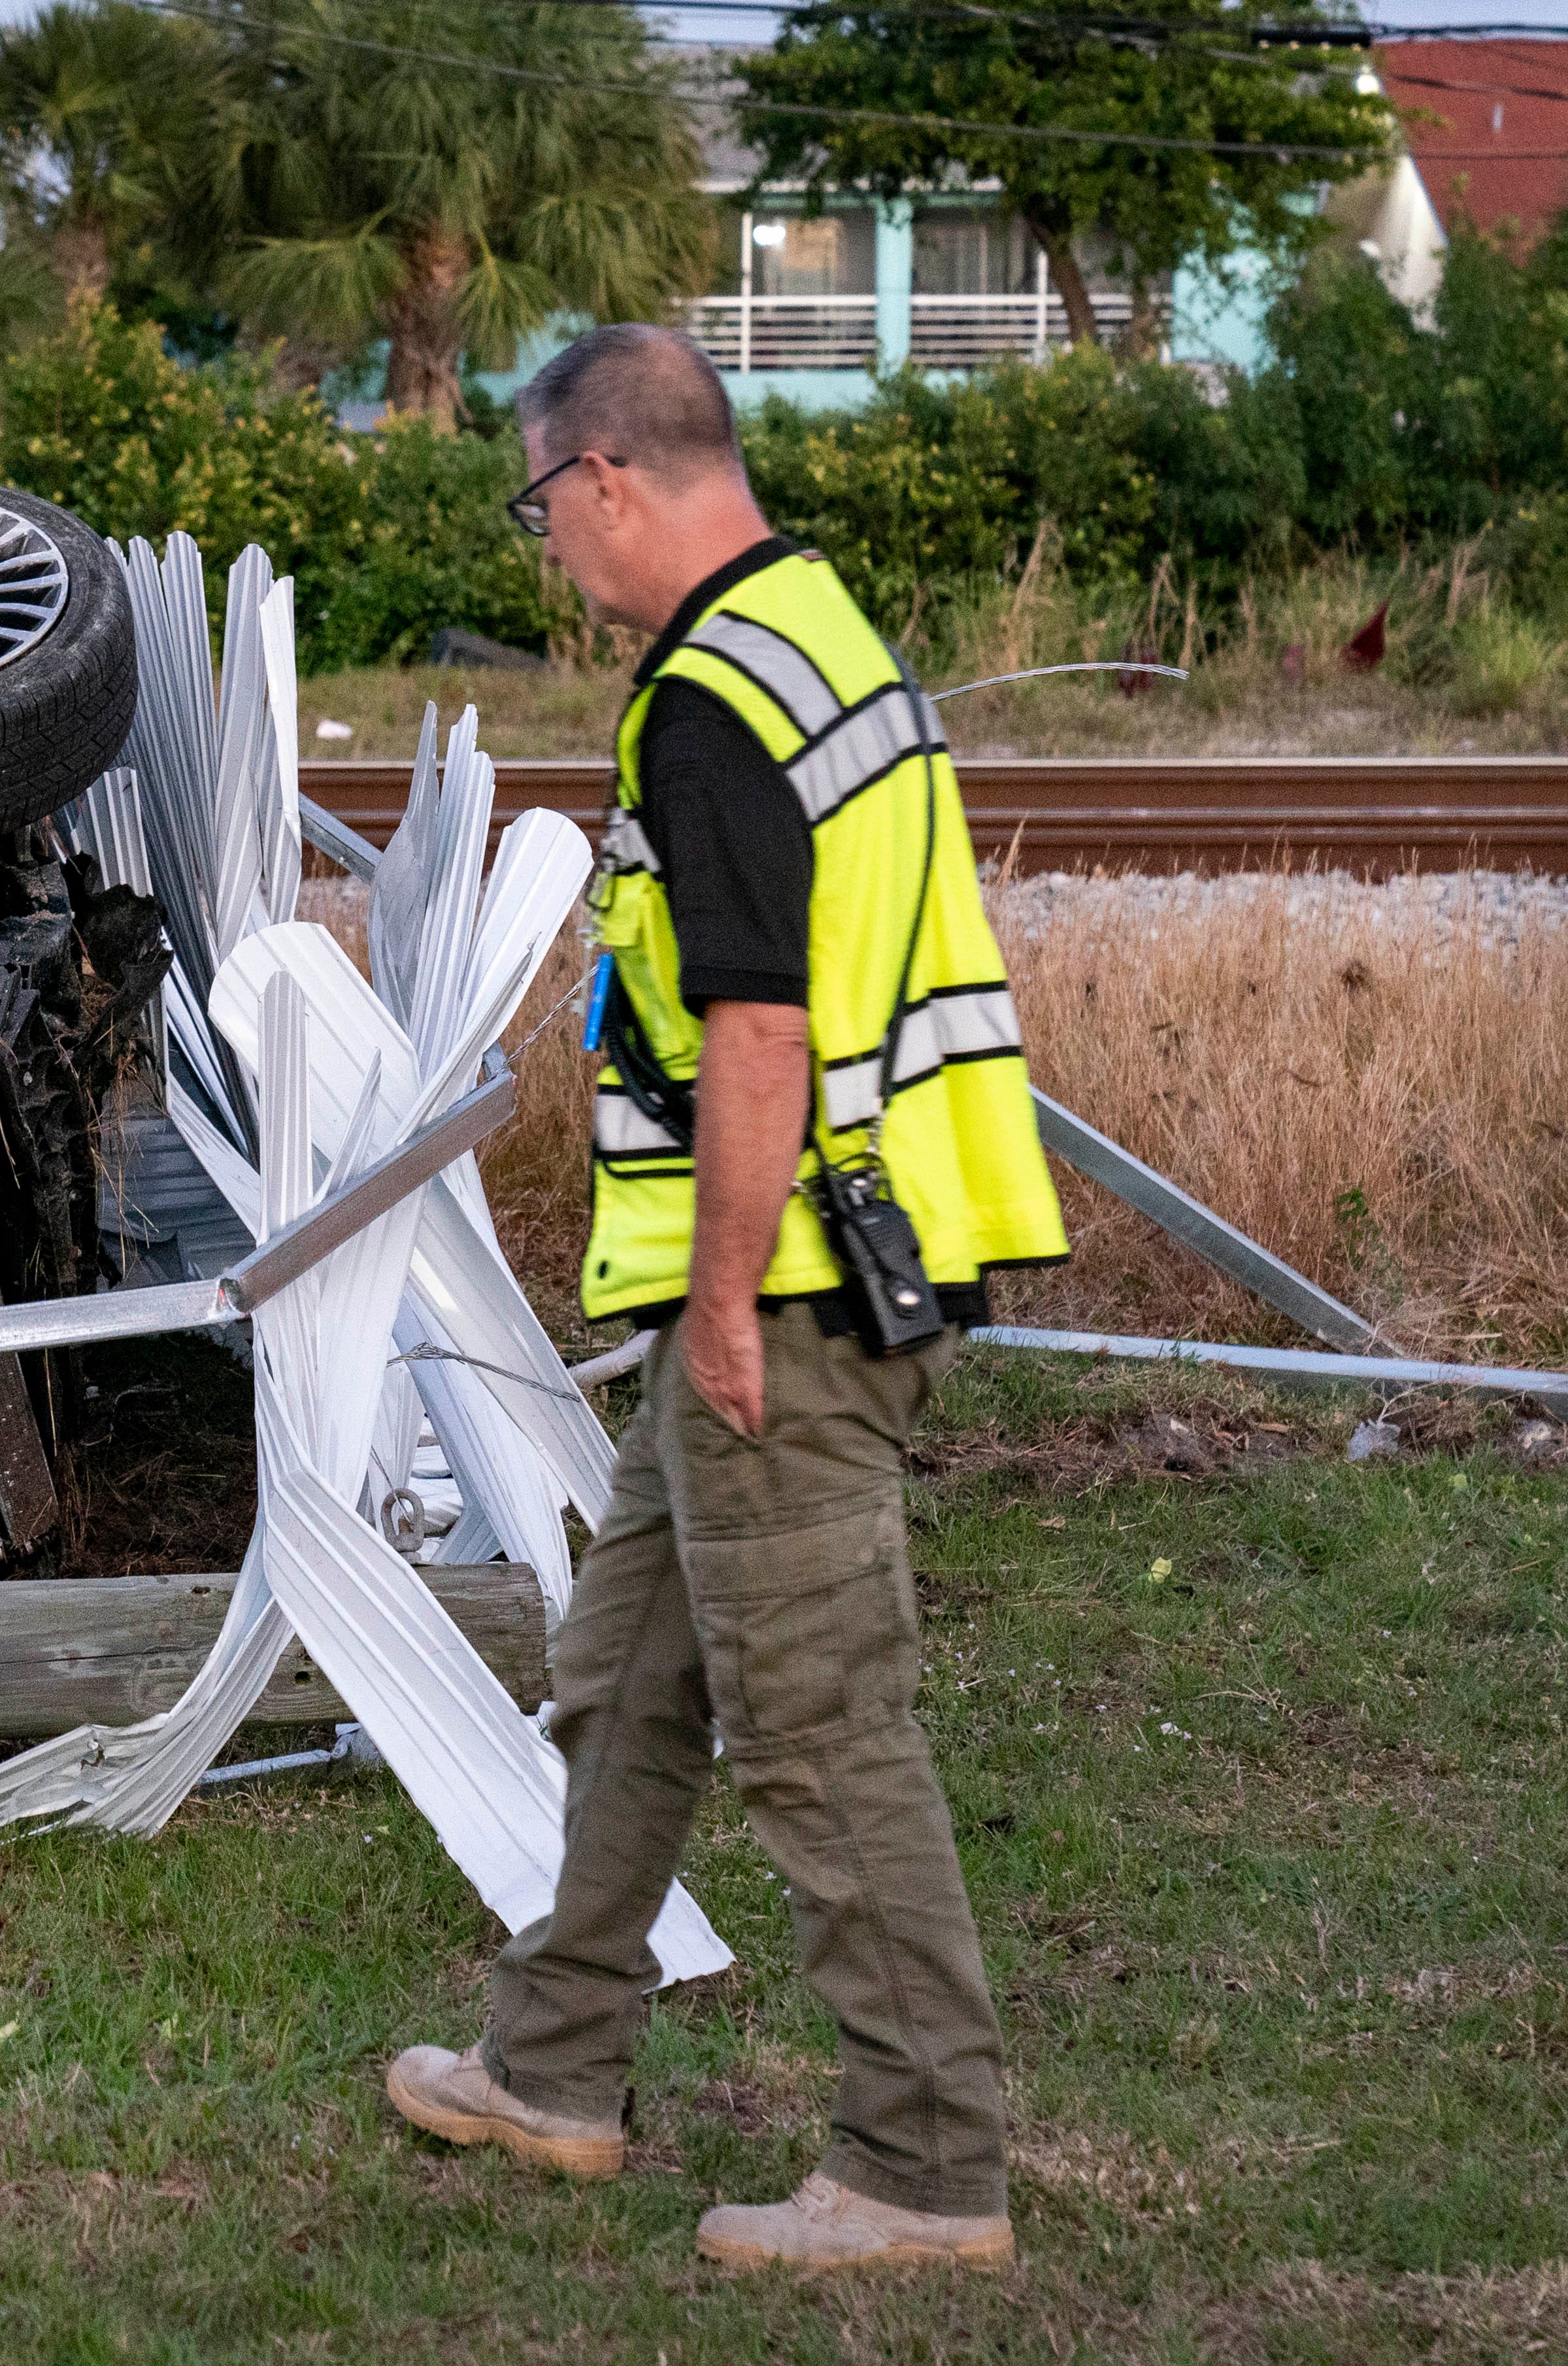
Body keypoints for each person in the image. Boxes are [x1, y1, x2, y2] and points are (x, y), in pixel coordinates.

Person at [382, 322, 1069, 2274]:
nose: (553, 555)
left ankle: (925, 2167)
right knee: (629, 1682)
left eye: (544, 509)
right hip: (836, 1263)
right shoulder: (824, 631)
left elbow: (759, 1028)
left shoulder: (707, 702)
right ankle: (555, 2065)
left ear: (607, 476)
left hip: (785, 1295)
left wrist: (729, 1304)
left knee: (821, 1727)